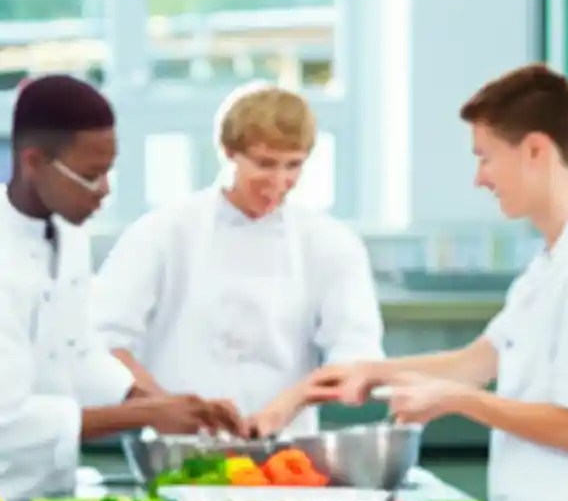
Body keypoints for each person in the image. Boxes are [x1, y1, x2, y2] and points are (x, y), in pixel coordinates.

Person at [305, 64, 568, 501]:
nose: (480, 177)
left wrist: (459, 400)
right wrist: (372, 372)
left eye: (485, 158)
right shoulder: (550, 263)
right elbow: (479, 361)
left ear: (535, 151)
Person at [91, 84, 384, 438]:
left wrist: (287, 405)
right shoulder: (162, 232)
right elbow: (102, 339)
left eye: (294, 165)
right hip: (177, 448)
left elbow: (356, 355)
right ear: (228, 152)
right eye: (264, 164)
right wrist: (164, 407)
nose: (279, 181)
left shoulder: (331, 243)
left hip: (287, 449)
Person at [0, 75, 242, 499]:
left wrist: (169, 405)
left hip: (46, 495)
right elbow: (8, 420)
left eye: (109, 171)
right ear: (33, 162)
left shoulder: (69, 232)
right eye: (91, 175)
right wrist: (146, 412)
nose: (104, 191)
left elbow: (79, 352)